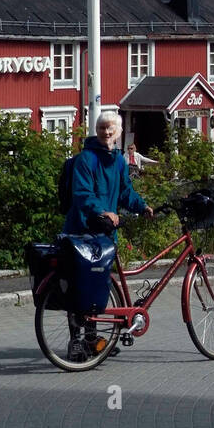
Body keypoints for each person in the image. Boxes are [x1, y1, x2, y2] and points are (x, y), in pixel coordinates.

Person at [63, 113, 153, 361]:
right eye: (102, 127)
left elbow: (125, 192)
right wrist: (103, 211)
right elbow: (81, 194)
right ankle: (76, 342)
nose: (106, 132)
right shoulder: (86, 159)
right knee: (79, 287)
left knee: (99, 286)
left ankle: (93, 340)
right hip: (82, 230)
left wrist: (142, 206)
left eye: (110, 128)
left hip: (105, 234)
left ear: (119, 131)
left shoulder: (118, 161)